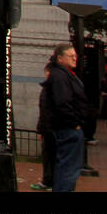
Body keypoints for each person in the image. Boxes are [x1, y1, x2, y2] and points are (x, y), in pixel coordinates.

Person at [46, 43, 89, 192]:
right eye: (71, 56)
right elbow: (62, 103)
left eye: (75, 56)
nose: (75, 58)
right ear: (60, 58)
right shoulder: (60, 76)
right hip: (68, 128)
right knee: (68, 169)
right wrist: (75, 123)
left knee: (68, 168)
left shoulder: (65, 75)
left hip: (69, 127)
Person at [31, 61, 56, 190]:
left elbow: (45, 111)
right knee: (48, 155)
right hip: (49, 127)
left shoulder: (52, 88)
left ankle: (50, 180)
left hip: (51, 128)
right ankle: (49, 179)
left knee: (50, 155)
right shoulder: (48, 88)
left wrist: (41, 129)